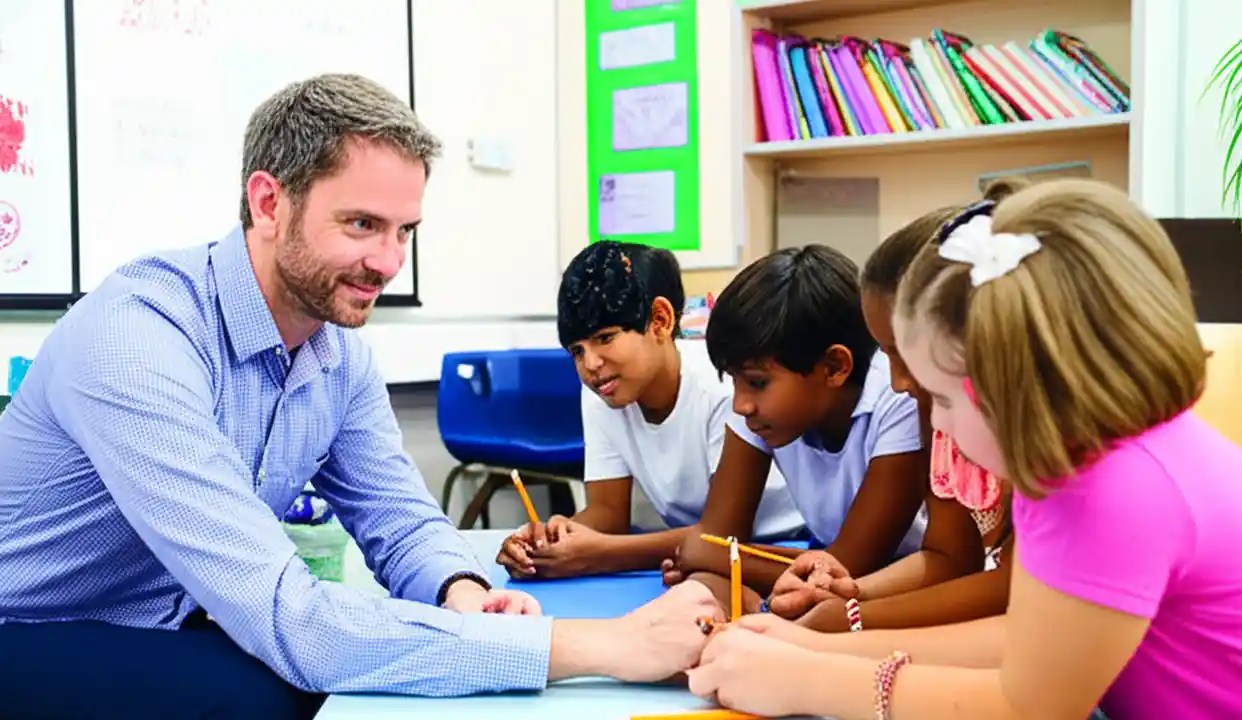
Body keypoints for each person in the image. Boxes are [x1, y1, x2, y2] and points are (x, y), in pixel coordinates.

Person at [0, 73, 723, 719]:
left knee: (377, 678)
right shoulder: (138, 338)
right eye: (362, 225)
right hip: (32, 625)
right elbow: (290, 619)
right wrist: (602, 646)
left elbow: (399, 519)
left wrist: (465, 594)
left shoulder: (337, 352)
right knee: (269, 697)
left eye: (405, 231)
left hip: (176, 615)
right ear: (268, 202)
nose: (388, 262)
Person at [684, 179, 1242, 719]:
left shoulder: (1115, 489)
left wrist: (805, 679)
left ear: (1004, 385)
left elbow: (1029, 705)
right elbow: (1025, 638)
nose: (933, 418)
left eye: (940, 397)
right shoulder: (1076, 470)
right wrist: (809, 647)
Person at [769, 182, 1026, 632]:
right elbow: (950, 556)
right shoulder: (942, 418)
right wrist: (850, 591)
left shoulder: (1049, 445)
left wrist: (851, 619)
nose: (897, 382)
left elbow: (1016, 590)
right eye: (885, 354)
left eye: (903, 352)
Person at [663, 245, 972, 606]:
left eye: (757, 382)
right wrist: (714, 557)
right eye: (734, 380)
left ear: (835, 367)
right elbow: (717, 536)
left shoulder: (898, 400)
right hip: (832, 570)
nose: (740, 404)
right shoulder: (760, 408)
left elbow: (848, 567)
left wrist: (719, 559)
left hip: (899, 581)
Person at [496, 241, 804, 579]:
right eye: (577, 351)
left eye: (605, 338)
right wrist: (546, 543)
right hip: (700, 554)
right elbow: (607, 513)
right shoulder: (603, 392)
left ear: (660, 320)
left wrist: (595, 555)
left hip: (786, 547)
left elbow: (722, 535)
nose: (591, 364)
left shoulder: (724, 386)